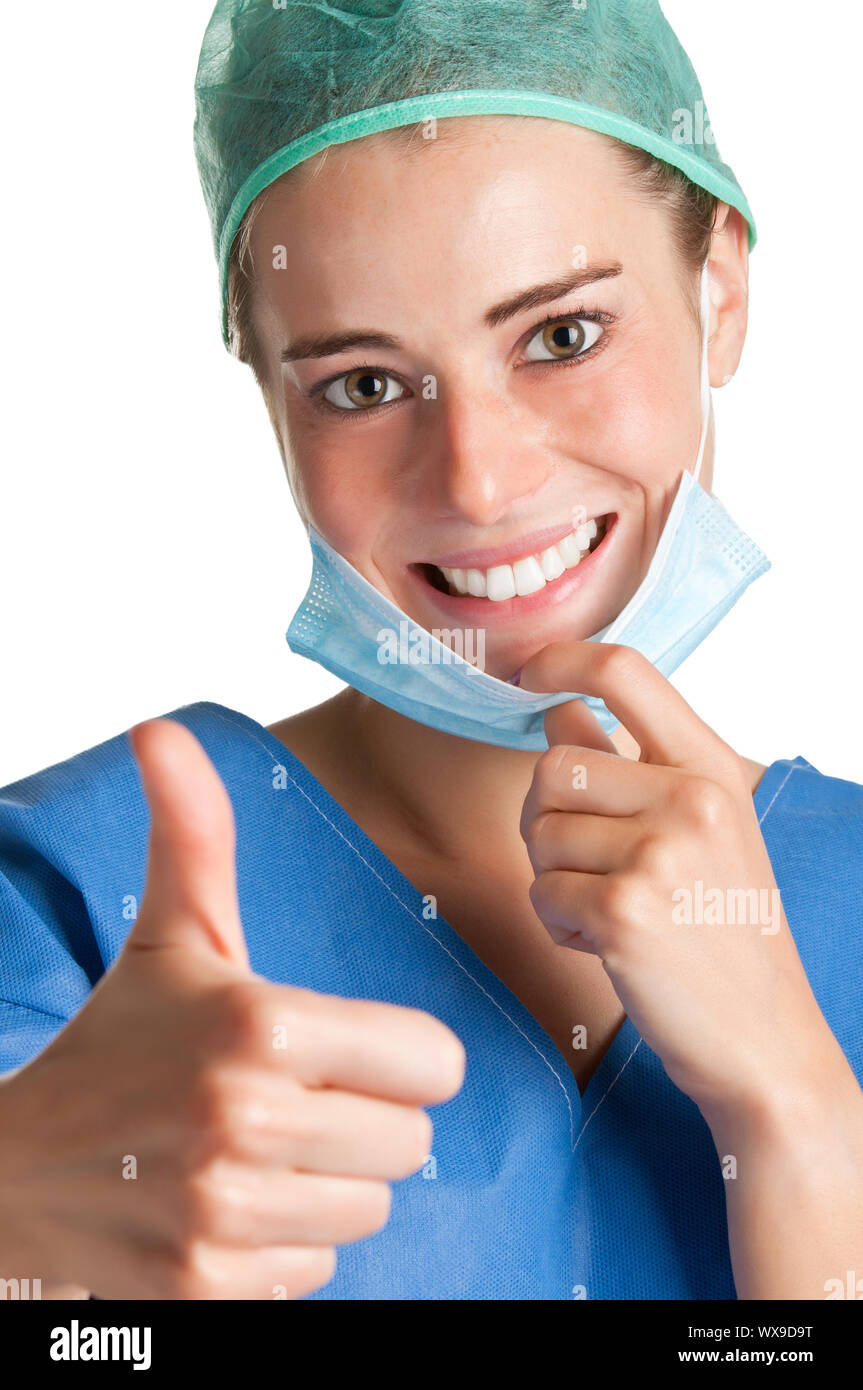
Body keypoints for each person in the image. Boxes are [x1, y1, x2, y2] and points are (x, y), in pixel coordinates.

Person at [1, 0, 861, 1302]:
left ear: (722, 289)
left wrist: (797, 1111)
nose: (478, 479)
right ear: (267, 392)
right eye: (360, 382)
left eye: (562, 335)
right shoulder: (77, 893)